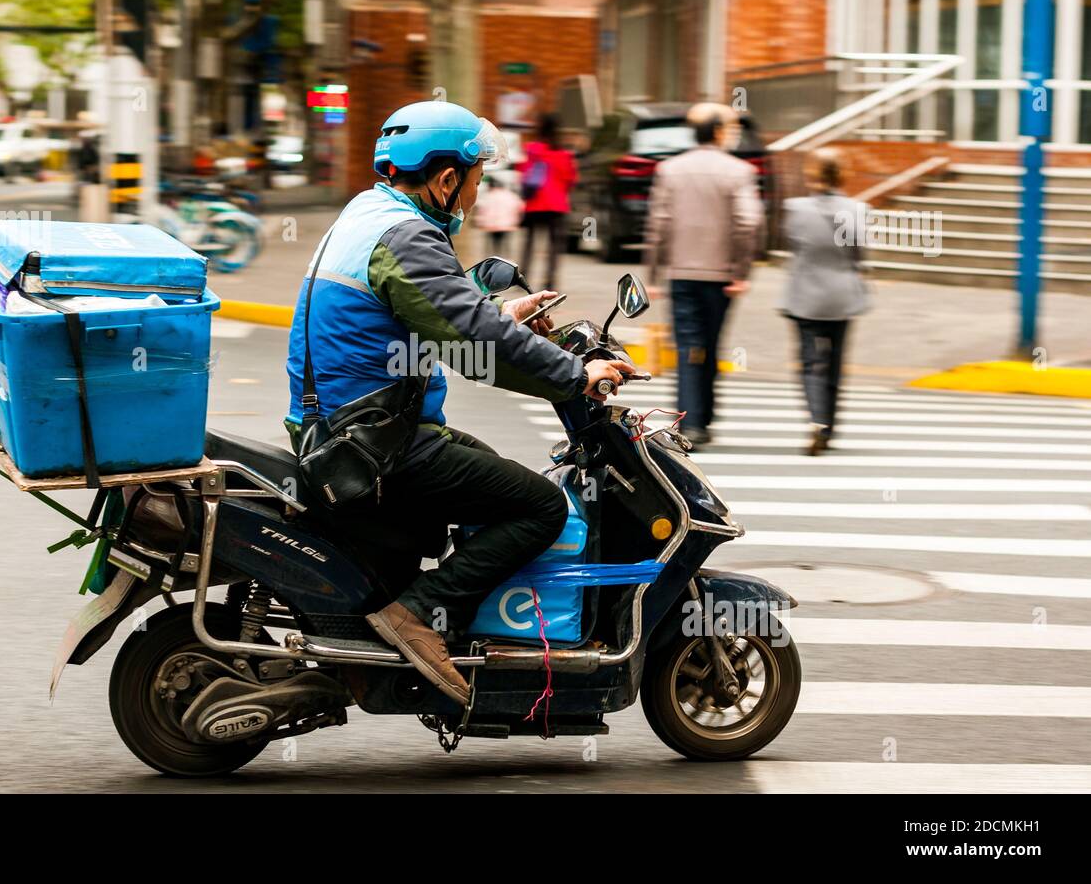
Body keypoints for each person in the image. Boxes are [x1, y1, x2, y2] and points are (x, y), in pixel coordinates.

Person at [285, 100, 632, 706]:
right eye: (474, 181)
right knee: (542, 506)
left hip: (356, 429)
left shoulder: (369, 214)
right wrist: (576, 374)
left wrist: (505, 313)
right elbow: (474, 340)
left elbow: (436, 315)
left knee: (489, 473)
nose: (474, 195)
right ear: (446, 179)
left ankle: (452, 619)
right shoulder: (406, 236)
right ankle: (417, 613)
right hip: (374, 445)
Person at [643, 102, 763, 447]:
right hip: (721, 274)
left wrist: (652, 273)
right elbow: (748, 222)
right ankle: (703, 417)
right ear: (718, 133)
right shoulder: (740, 171)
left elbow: (658, 225)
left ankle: (692, 420)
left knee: (687, 346)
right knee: (710, 344)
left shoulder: (670, 169)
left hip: (681, 272)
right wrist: (742, 270)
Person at [780, 148, 868, 456]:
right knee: (835, 364)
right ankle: (828, 427)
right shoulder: (856, 209)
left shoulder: (795, 208)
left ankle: (816, 420)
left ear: (812, 174)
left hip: (806, 295)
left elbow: (792, 243)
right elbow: (858, 254)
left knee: (811, 363)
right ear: (841, 174)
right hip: (842, 295)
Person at [517, 113, 577, 291]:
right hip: (557, 205)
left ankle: (522, 277)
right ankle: (550, 281)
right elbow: (570, 178)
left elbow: (524, 172)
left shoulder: (533, 149)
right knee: (554, 247)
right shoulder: (564, 154)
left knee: (529, 243)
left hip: (535, 204)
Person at [473, 176, 523, 254]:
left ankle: (493, 258)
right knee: (506, 243)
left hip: (491, 225)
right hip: (506, 224)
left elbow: (481, 209)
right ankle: (506, 259)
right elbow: (519, 206)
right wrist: (516, 220)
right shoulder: (509, 195)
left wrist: (479, 222)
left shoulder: (488, 196)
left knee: (493, 243)